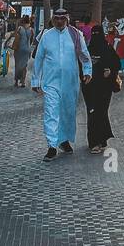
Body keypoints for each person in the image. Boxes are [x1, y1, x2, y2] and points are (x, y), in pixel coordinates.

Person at [30, 9, 92, 161]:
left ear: (67, 19)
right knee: (51, 112)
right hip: (51, 82)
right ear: (53, 19)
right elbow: (38, 59)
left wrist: (87, 71)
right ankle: (52, 146)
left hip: (70, 82)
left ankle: (63, 140)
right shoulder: (46, 36)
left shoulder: (76, 35)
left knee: (67, 112)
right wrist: (35, 80)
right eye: (56, 19)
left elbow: (84, 55)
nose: (59, 21)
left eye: (62, 19)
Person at [80, 22, 121, 154]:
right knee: (92, 113)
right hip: (90, 88)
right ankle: (93, 142)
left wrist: (110, 72)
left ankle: (102, 139)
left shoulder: (108, 49)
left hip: (105, 88)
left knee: (102, 113)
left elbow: (116, 64)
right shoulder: (87, 50)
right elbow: (81, 67)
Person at [12, 14, 34, 88]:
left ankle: (16, 81)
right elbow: (31, 40)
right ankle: (23, 82)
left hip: (19, 49)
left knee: (17, 65)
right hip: (27, 49)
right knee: (24, 66)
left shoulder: (19, 28)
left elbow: (15, 36)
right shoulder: (31, 30)